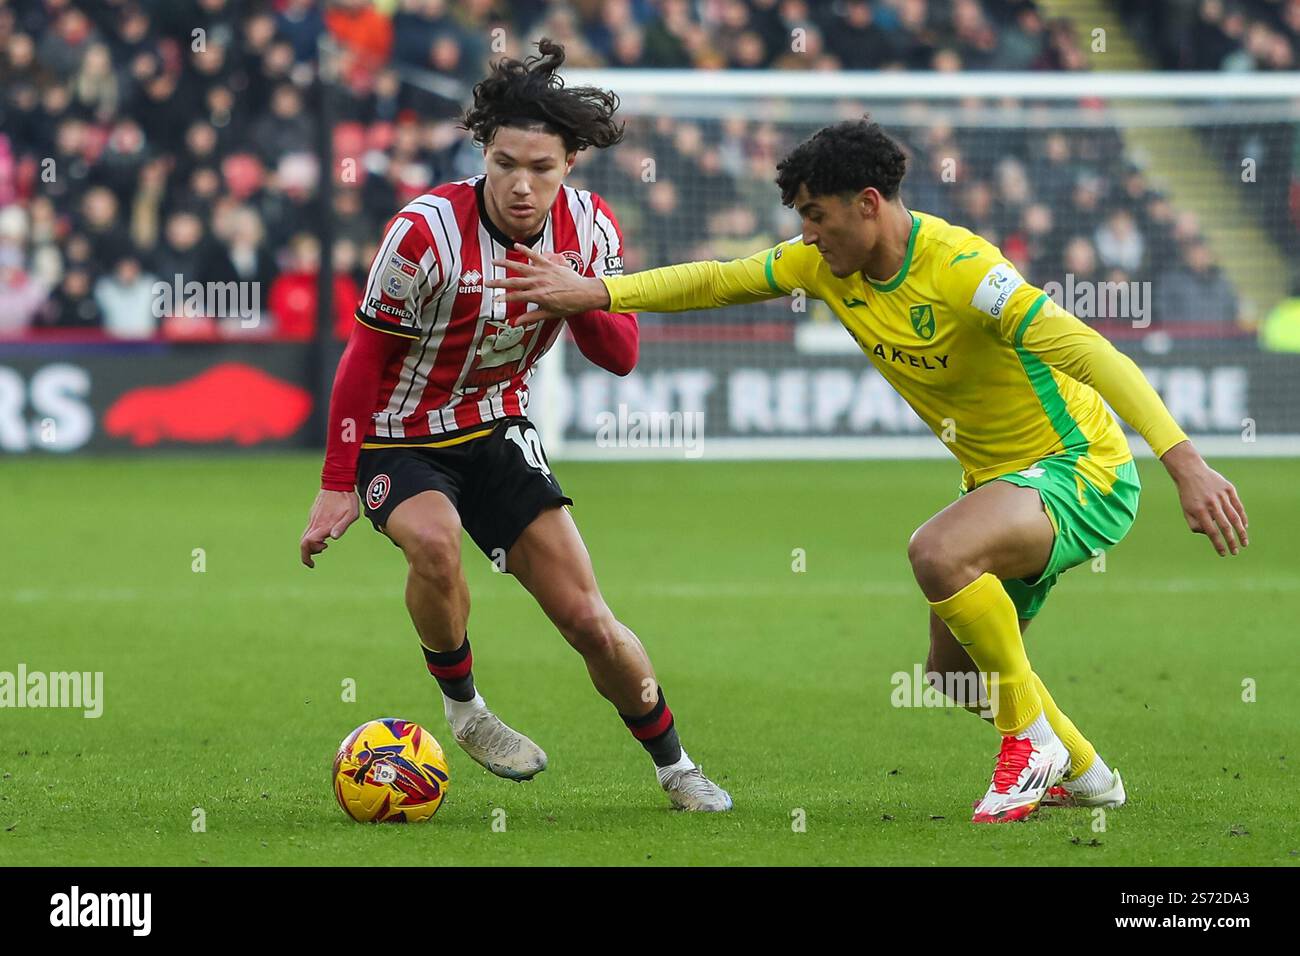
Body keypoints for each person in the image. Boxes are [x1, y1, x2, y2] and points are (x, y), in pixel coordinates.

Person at [488, 117, 1249, 823]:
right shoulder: (824, 268)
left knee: (937, 552)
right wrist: (598, 292)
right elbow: (718, 279)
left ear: (869, 204)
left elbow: (1087, 348)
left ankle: (1031, 746)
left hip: (1081, 469)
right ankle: (1087, 774)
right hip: (1000, 485)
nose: (807, 235)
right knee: (953, 675)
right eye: (802, 220)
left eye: (817, 216)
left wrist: (1184, 460)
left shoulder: (962, 270)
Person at [298, 40, 732, 812]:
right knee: (432, 543)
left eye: (541, 167)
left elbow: (621, 356)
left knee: (589, 621)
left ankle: (677, 767)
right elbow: (365, 359)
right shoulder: (425, 230)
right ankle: (466, 711)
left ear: (570, 164)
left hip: (497, 427)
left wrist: (580, 297)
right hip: (400, 435)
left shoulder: (590, 231)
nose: (521, 184)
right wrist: (337, 484)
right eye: (505, 163)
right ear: (483, 156)